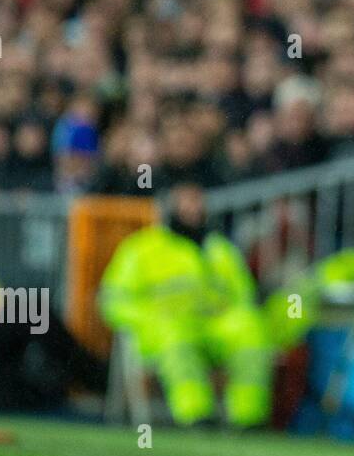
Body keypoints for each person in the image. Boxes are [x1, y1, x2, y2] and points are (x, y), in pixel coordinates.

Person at [98, 183, 273, 427]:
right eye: (186, 203)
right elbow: (114, 300)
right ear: (169, 208)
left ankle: (248, 417)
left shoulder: (220, 249)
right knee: (176, 336)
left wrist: (232, 312)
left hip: (215, 326)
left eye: (197, 203)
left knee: (249, 328)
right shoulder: (141, 248)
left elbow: (243, 296)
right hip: (165, 326)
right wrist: (152, 318)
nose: (193, 210)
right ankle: (195, 414)